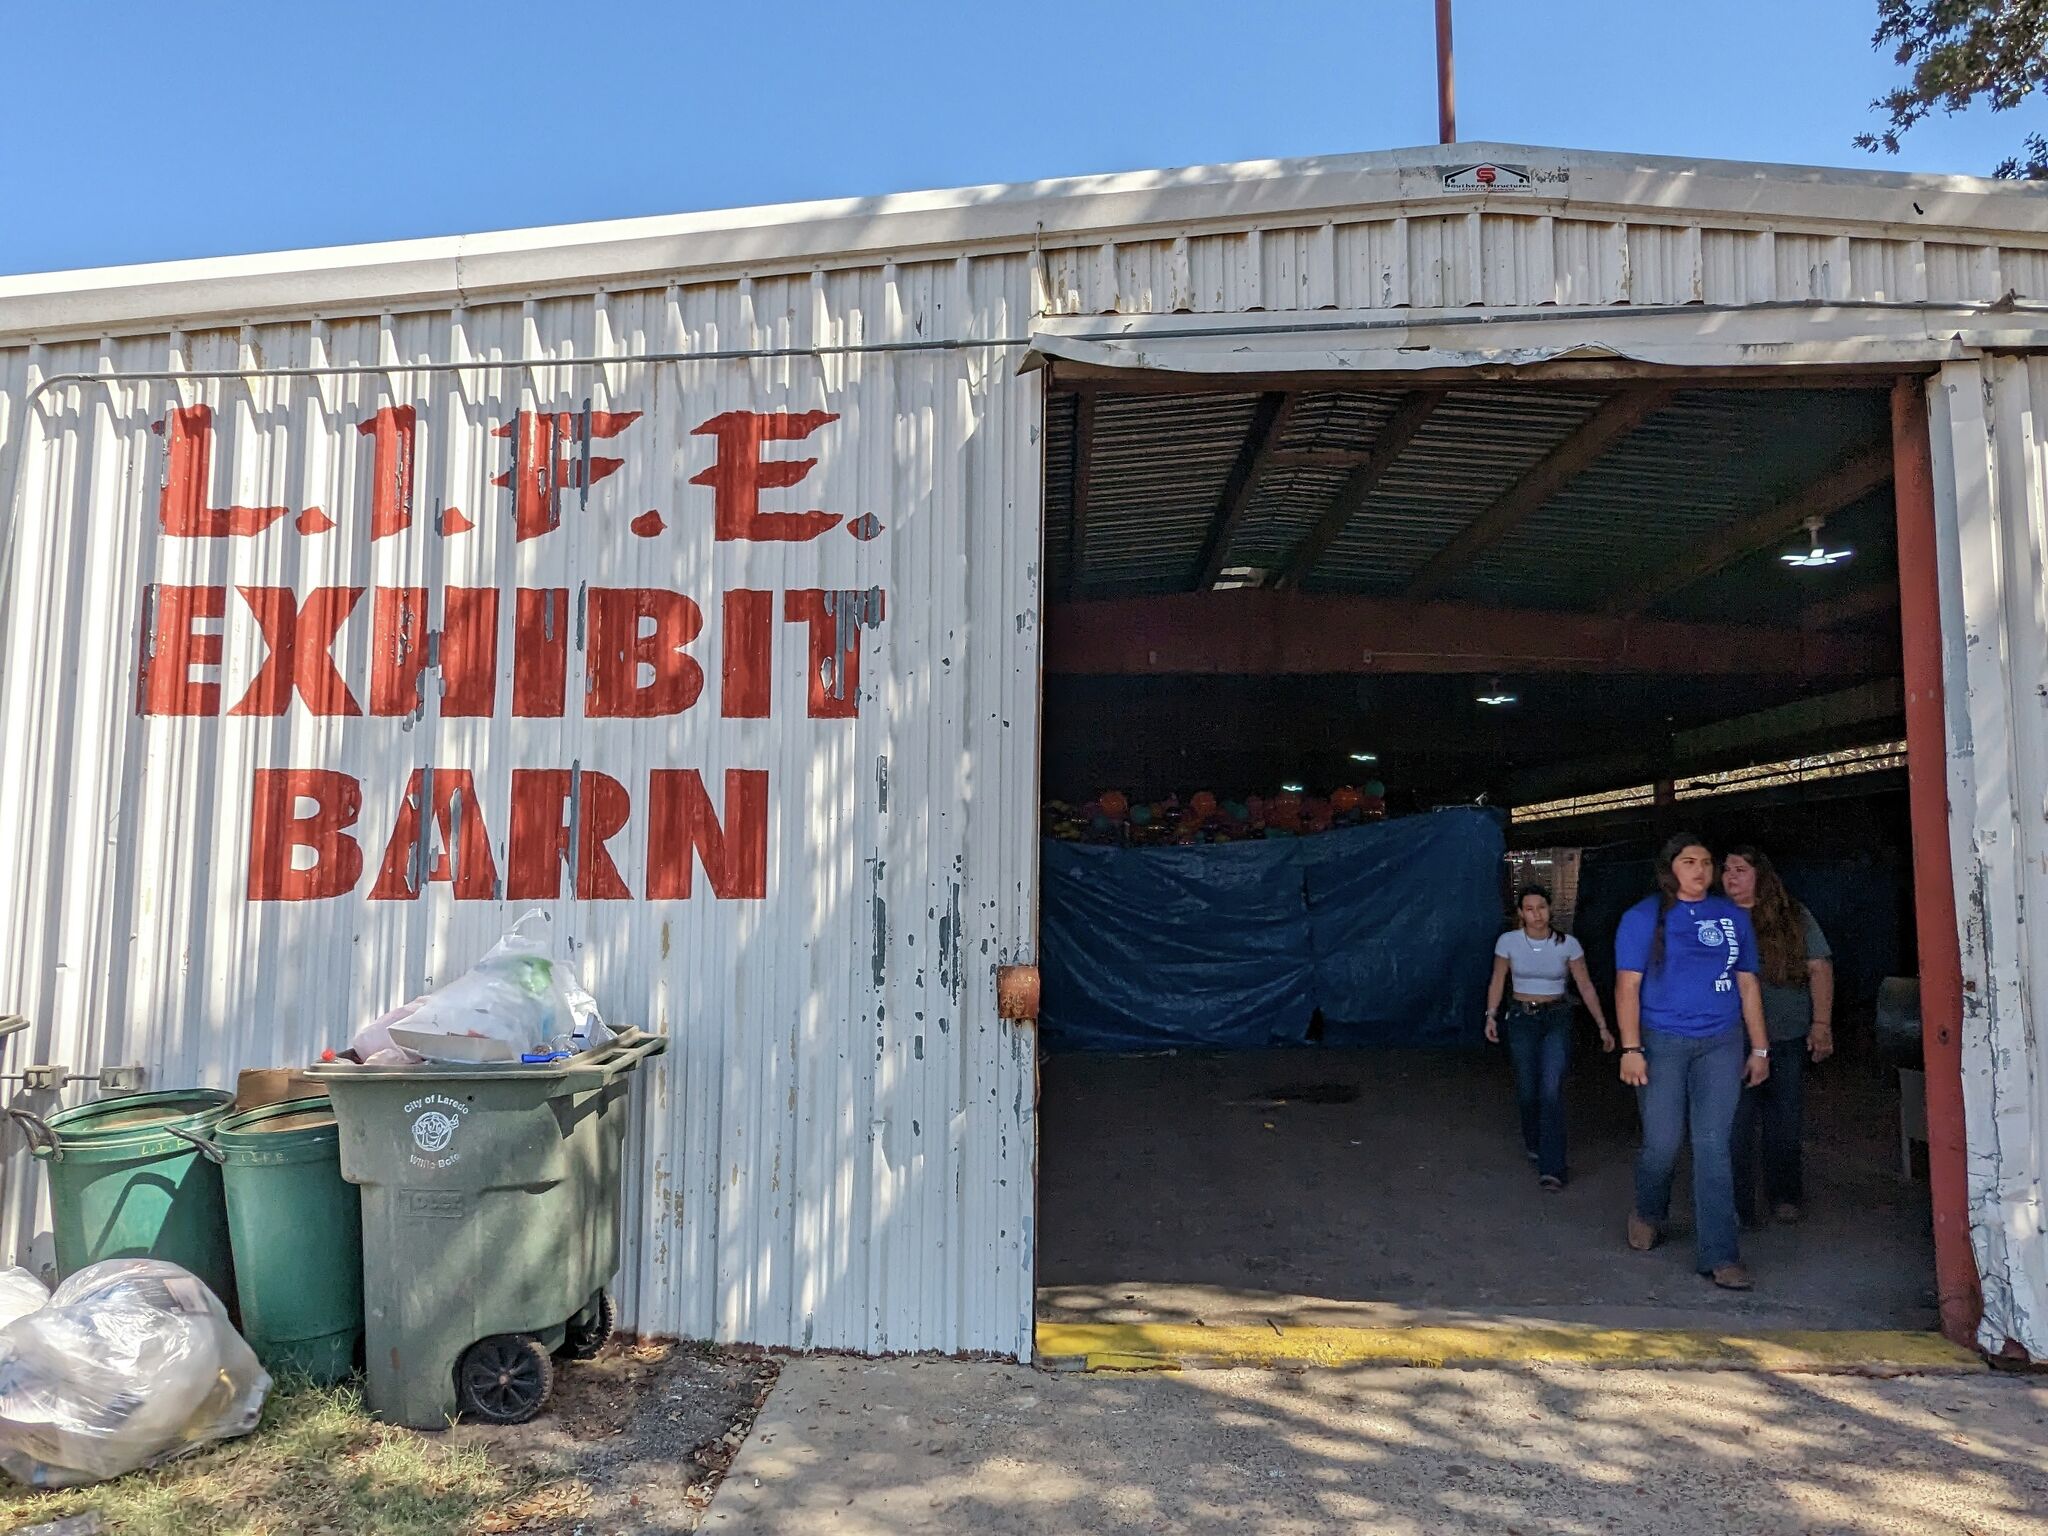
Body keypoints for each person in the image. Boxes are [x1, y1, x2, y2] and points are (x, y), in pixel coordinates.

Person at [1614, 834, 1772, 1290]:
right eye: (1689, 862)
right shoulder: (1643, 917)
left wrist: (1759, 1048)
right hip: (1662, 1041)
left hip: (1721, 1042)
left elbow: (1747, 985)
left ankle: (1720, 1255)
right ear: (1670, 869)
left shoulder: (1731, 917)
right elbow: (1627, 986)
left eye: (1707, 862)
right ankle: (1648, 1209)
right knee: (1662, 1142)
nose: (1701, 871)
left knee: (1712, 1146)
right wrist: (1630, 1048)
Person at [1720, 846, 1834, 1226]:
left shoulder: (1794, 917)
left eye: (1740, 869)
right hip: (1730, 1040)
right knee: (1735, 1125)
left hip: (1786, 1036)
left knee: (1784, 1120)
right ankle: (1738, 1204)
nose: (1730, 876)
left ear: (1761, 876)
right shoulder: (1714, 918)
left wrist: (1821, 1025)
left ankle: (1785, 1194)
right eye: (1726, 870)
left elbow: (1818, 968)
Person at [1485, 885, 1616, 1190]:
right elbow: (1497, 980)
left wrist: (1602, 1025)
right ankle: (1535, 1139)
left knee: (1551, 1088)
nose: (1536, 914)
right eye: (1529, 909)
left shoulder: (1567, 944)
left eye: (1541, 907)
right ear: (1521, 913)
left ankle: (1552, 1166)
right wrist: (1490, 1015)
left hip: (1557, 1017)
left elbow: (1584, 986)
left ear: (1550, 909)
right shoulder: (1508, 942)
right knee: (1528, 1089)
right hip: (1521, 1018)